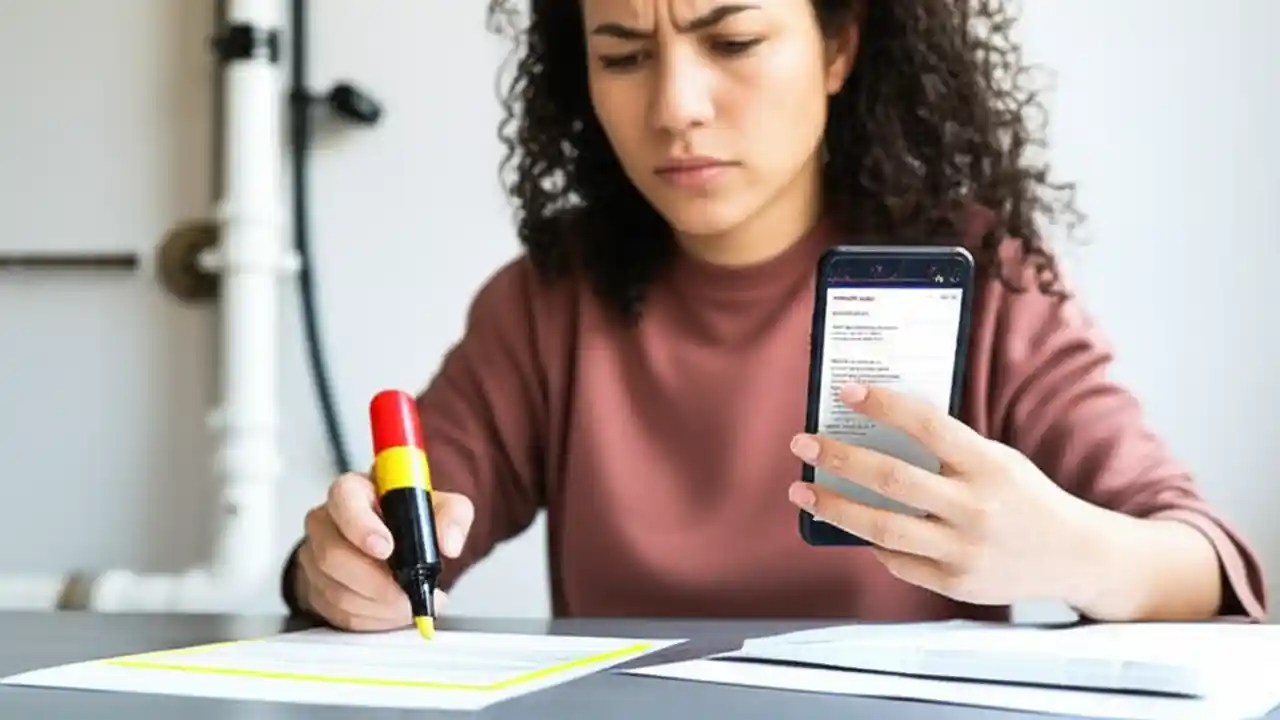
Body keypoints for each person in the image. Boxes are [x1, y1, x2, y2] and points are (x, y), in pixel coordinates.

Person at [282, 0, 1268, 631]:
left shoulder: (980, 275)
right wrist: (339, 569)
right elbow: (391, 529)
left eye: (734, 39)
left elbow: (1206, 565)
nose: (676, 105)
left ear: (838, 46)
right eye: (621, 54)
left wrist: (1069, 552)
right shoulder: (547, 297)